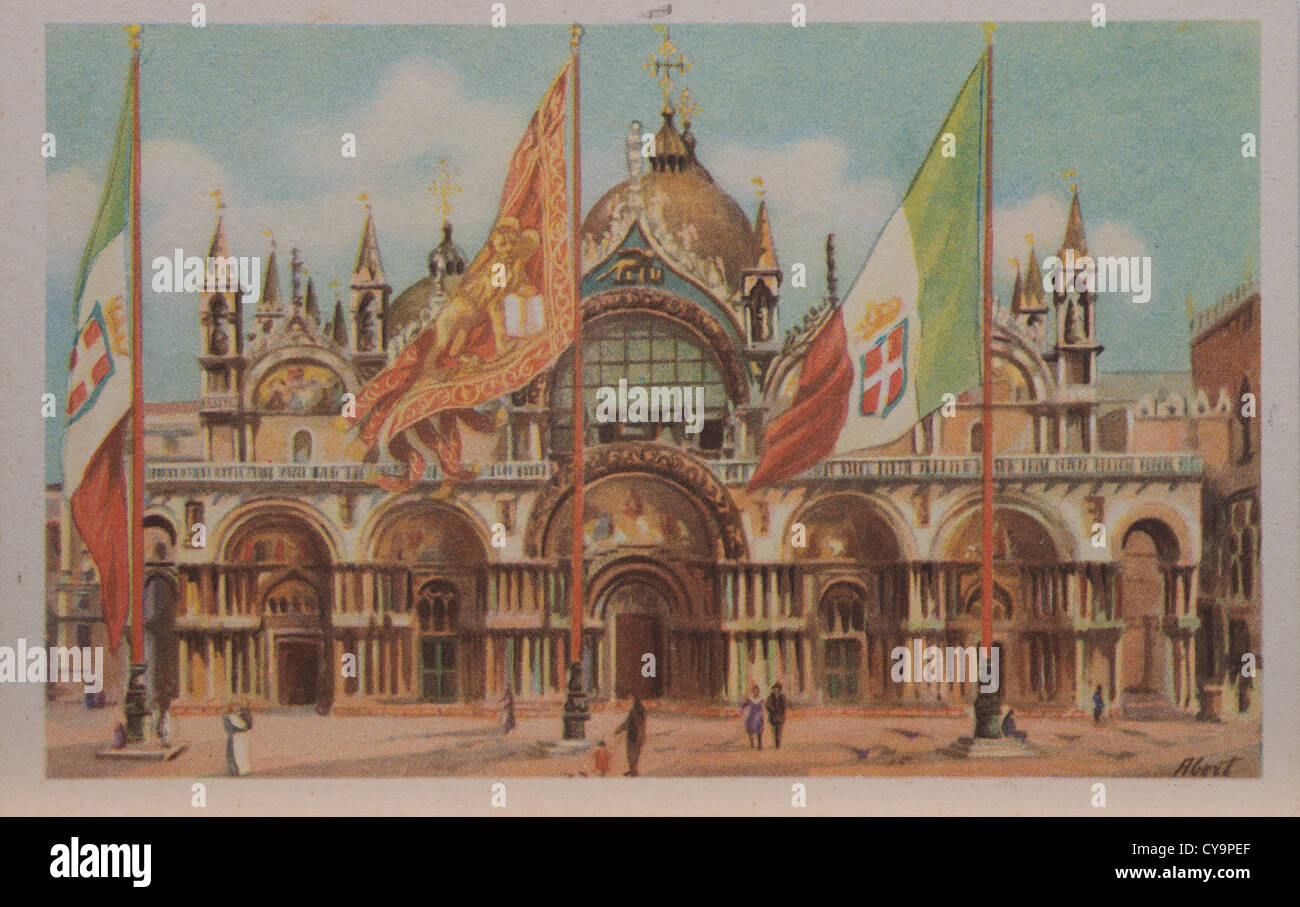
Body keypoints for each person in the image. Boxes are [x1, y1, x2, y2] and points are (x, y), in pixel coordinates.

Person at [613, 695, 647, 776]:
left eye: (631, 699)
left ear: (634, 700)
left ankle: (633, 772)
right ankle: (632, 770)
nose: (629, 701)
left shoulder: (634, 710)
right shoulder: (641, 709)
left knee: (631, 754)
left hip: (633, 735)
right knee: (635, 754)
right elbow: (641, 723)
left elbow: (630, 722)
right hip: (637, 735)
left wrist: (618, 730)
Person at [222, 699, 252, 776]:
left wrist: (243, 729)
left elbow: (248, 725)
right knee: (233, 754)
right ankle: (234, 771)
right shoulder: (228, 715)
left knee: (240, 752)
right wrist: (240, 729)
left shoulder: (239, 714)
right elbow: (228, 727)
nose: (235, 707)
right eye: (233, 706)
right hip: (233, 736)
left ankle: (241, 770)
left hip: (239, 736)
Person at [741, 683, 765, 750]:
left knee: (759, 730)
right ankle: (752, 743)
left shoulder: (761, 700)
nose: (755, 692)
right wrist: (741, 711)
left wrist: (761, 715)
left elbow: (762, 708)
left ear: (758, 691)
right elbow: (743, 706)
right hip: (751, 716)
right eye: (754, 690)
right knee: (750, 730)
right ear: (752, 691)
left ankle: (760, 745)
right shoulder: (750, 699)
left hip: (759, 716)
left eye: (756, 690)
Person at [765, 682, 788, 749]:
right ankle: (776, 743)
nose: (776, 690)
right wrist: (773, 709)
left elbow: (785, 705)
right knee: (774, 731)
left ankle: (778, 744)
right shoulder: (771, 696)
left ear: (779, 689)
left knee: (779, 731)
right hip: (773, 716)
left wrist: (781, 710)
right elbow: (768, 705)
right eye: (775, 688)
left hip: (780, 716)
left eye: (777, 688)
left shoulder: (782, 697)